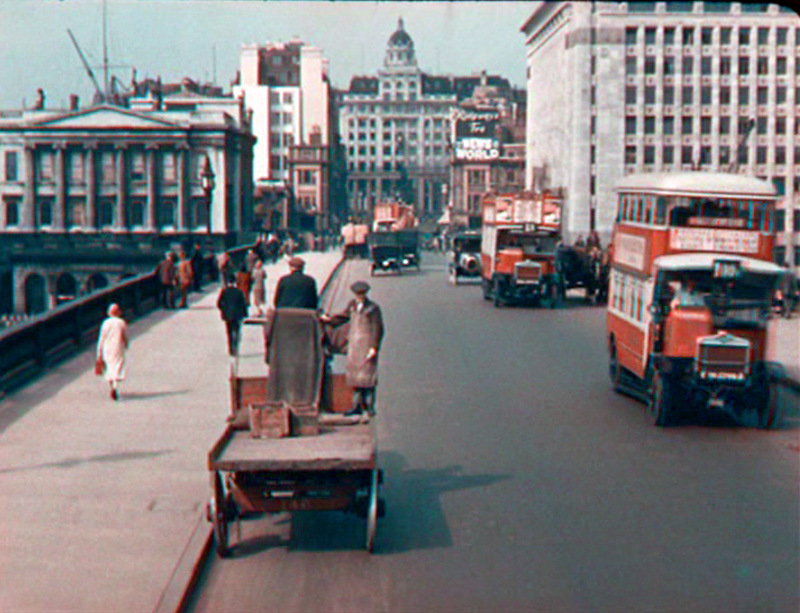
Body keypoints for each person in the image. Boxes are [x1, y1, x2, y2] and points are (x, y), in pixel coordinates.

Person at [322, 281, 384, 417]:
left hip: (367, 343)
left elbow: (378, 329)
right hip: (355, 345)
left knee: (368, 377)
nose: (360, 297)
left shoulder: (373, 308)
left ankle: (369, 405)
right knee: (355, 377)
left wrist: (374, 347)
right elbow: (342, 318)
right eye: (358, 294)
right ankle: (356, 405)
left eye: (362, 294)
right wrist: (328, 320)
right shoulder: (352, 306)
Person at [97, 303, 129, 401]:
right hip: (118, 347)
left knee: (109, 367)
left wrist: (99, 352)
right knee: (117, 366)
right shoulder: (121, 322)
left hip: (108, 348)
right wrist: (126, 344)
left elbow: (101, 338)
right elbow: (124, 336)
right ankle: (115, 386)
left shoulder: (105, 323)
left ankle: (112, 386)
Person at [216, 276, 248, 356]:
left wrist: (223, 310)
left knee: (229, 332)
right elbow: (243, 304)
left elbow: (219, 303)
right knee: (236, 331)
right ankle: (235, 346)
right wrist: (245, 314)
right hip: (237, 315)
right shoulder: (239, 292)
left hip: (227, 315)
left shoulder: (224, 291)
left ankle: (230, 349)